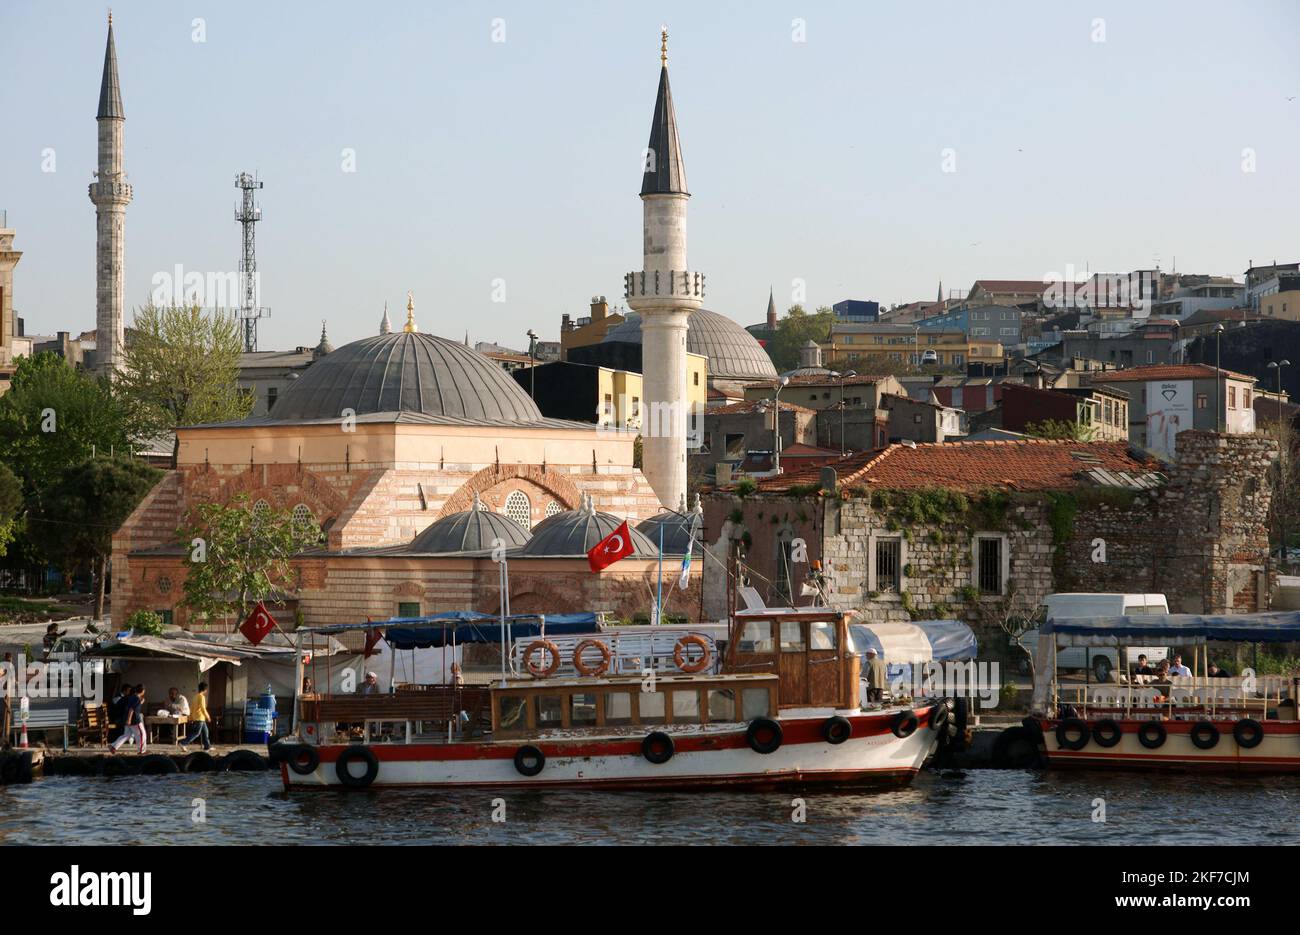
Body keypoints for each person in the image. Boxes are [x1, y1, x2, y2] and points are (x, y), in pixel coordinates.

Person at [109, 685, 146, 754]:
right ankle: (141, 751)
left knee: (127, 735)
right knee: (141, 734)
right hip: (134, 720)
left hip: (128, 719)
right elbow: (131, 709)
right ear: (142, 691)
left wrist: (141, 703)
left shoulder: (131, 697)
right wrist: (129, 719)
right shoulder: (136, 698)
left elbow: (133, 707)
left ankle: (113, 746)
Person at [180, 681, 212, 751]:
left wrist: (191, 717)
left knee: (205, 732)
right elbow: (203, 708)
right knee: (196, 733)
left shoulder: (195, 697)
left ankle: (207, 746)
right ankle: (183, 743)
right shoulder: (202, 697)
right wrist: (208, 717)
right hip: (199, 718)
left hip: (198, 718)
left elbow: (191, 708)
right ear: (205, 690)